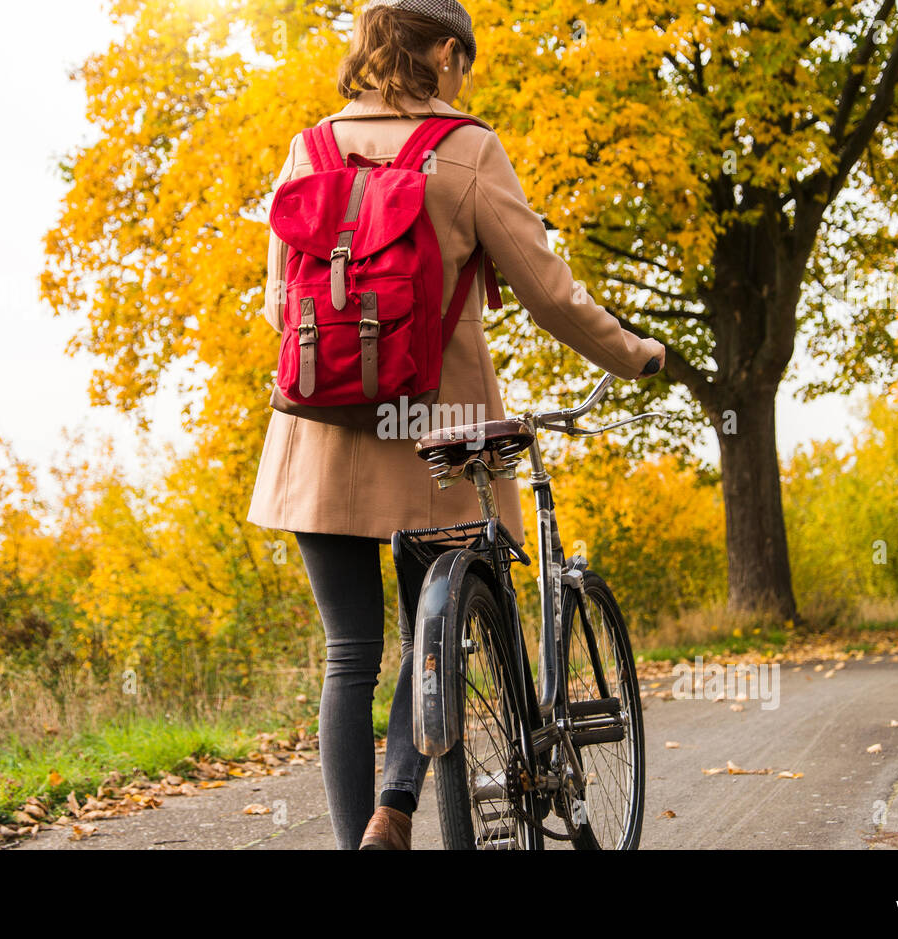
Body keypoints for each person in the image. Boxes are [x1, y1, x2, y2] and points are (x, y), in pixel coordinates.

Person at [246, 0, 666, 850]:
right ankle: (394, 808)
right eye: (462, 59)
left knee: (348, 651)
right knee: (431, 635)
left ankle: (353, 842)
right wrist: (633, 353)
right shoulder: (467, 147)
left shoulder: (307, 149)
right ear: (444, 51)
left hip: (318, 435)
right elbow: (548, 291)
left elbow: (275, 306)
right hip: (440, 433)